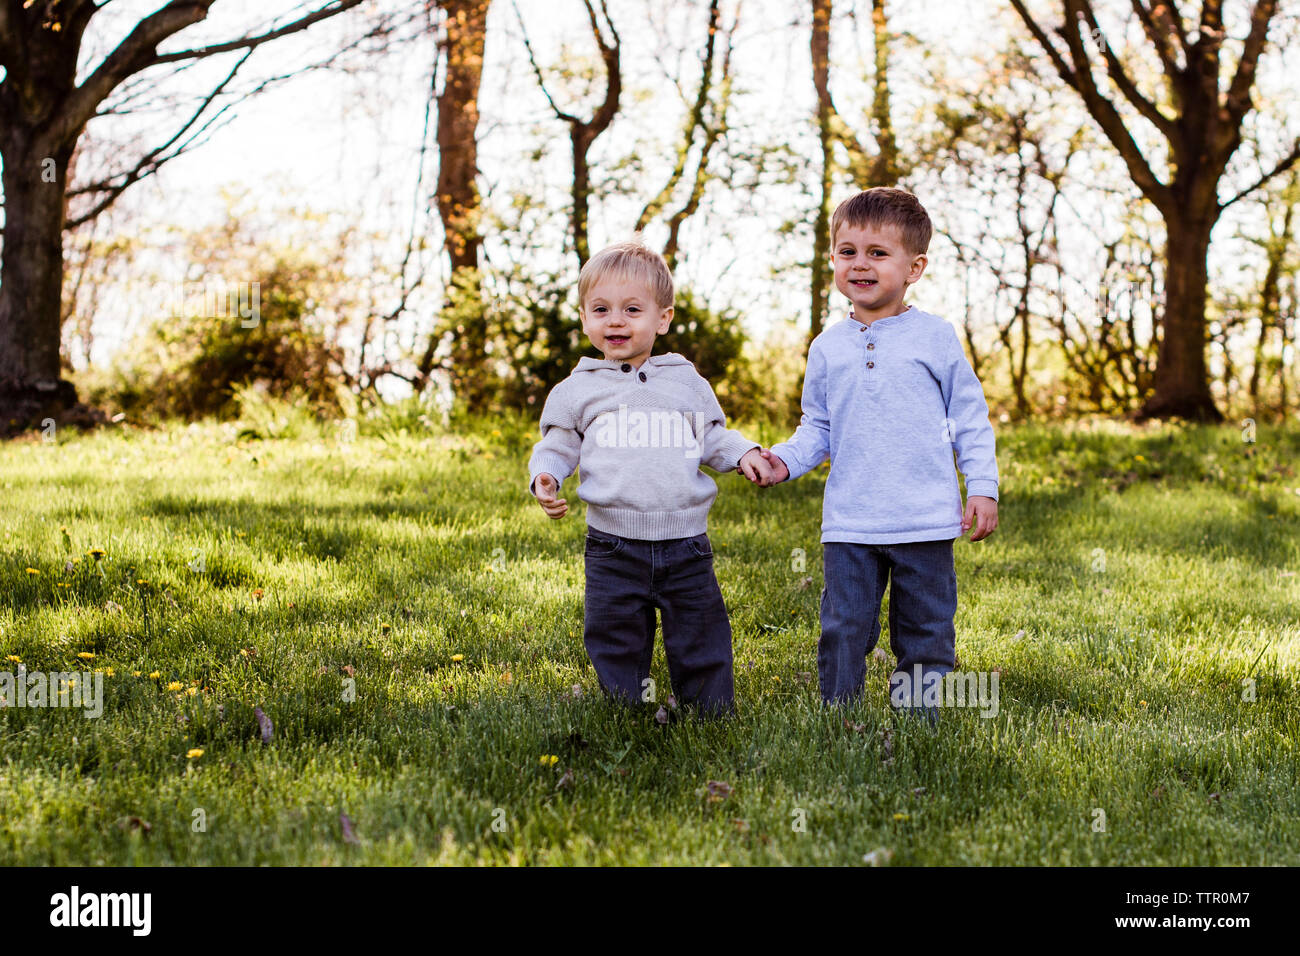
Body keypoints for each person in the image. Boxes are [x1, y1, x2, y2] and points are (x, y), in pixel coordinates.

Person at [755, 187, 1000, 710]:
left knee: (926, 631)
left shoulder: (934, 338)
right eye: (848, 252)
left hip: (926, 520)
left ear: (914, 267)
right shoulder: (826, 347)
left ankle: (919, 722)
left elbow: (969, 419)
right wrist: (784, 461)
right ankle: (838, 715)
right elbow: (817, 426)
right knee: (843, 626)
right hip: (851, 522)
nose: (859, 265)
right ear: (833, 260)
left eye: (877, 253)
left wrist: (981, 487)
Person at [528, 239, 773, 716]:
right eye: (601, 309)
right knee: (615, 634)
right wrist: (546, 476)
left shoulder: (685, 383)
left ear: (662, 318)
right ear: (584, 317)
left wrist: (744, 454)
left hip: (686, 544)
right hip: (612, 545)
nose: (615, 320)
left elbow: (713, 438)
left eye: (632, 309)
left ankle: (707, 712)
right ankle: (628, 710)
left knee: (700, 631)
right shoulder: (578, 389)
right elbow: (558, 445)